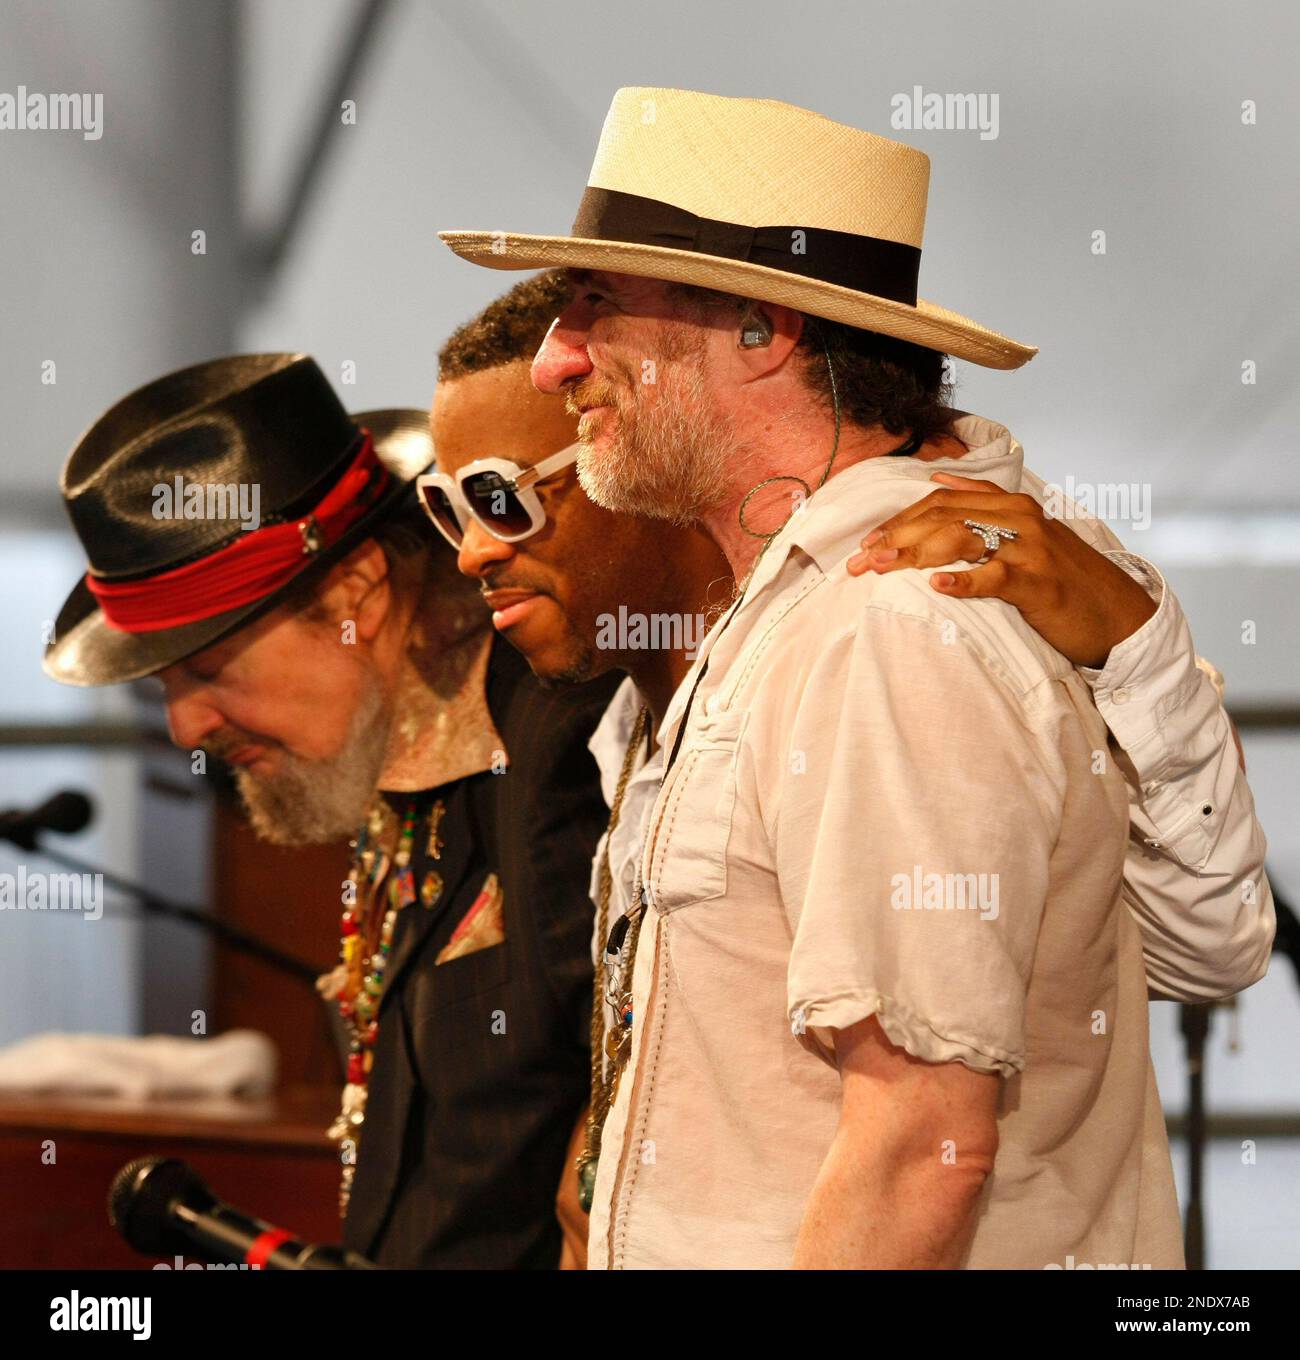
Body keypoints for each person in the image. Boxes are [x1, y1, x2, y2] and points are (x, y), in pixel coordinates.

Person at [440, 87, 1276, 1268]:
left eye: (594, 306)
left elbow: (922, 1146)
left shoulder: (889, 625)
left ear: (760, 331)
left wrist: (1139, 641)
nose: (551, 363)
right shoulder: (799, 613)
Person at [43, 353, 617, 1267]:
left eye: (206, 669)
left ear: (354, 593)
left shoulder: (560, 741)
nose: (187, 726)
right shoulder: (388, 749)